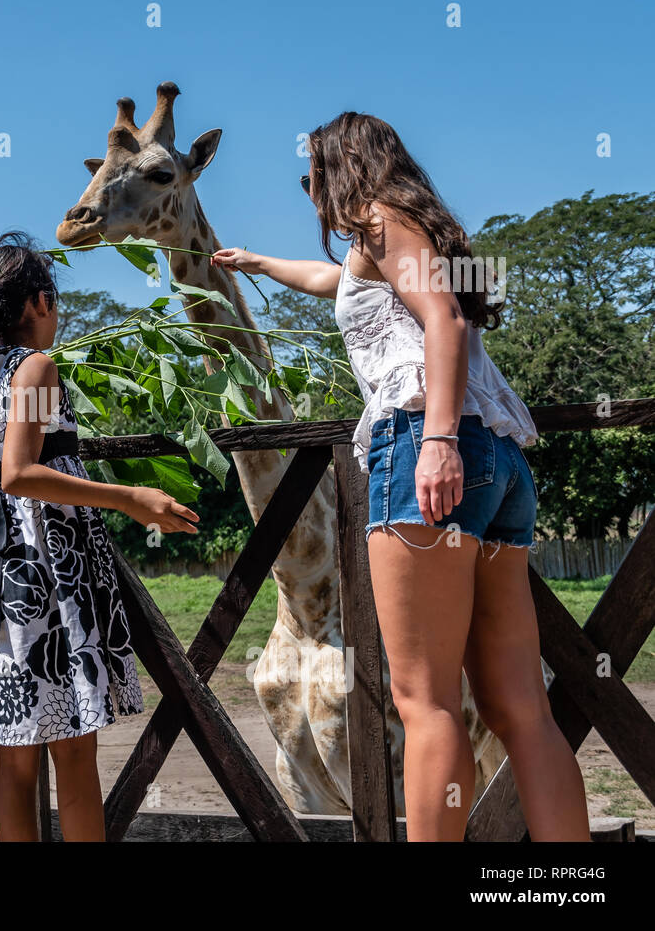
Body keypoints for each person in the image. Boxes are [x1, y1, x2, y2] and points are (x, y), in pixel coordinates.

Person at [211, 112, 590, 841]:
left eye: (311, 176)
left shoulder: (381, 220)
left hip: (426, 446)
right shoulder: (394, 232)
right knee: (520, 711)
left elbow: (441, 320)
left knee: (426, 703)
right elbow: (337, 282)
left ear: (339, 168)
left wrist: (439, 440)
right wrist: (259, 264)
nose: (309, 191)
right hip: (501, 464)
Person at [0, 232, 199, 841]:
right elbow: (21, 473)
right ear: (39, 302)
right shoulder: (36, 367)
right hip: (41, 570)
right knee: (75, 754)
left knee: (15, 753)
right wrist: (132, 499)